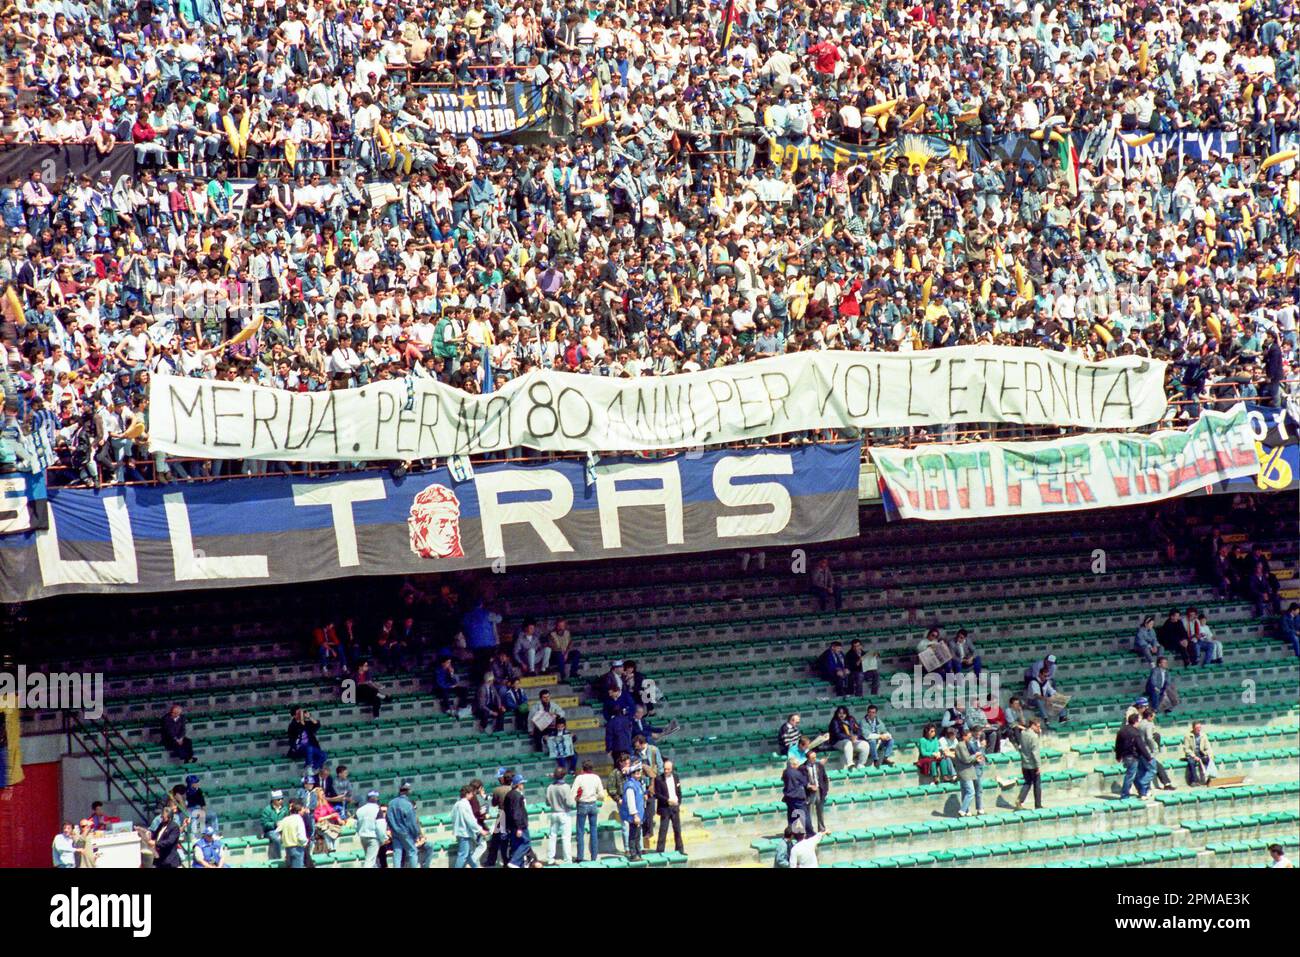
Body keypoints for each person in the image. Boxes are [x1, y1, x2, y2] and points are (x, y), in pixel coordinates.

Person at [571, 760, 607, 863]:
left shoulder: (579, 778)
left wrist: (578, 798)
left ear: (583, 768)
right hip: (593, 804)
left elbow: (572, 793)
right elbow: (602, 795)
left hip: (582, 804)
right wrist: (593, 795)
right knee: (593, 831)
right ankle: (594, 856)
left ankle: (580, 856)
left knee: (580, 831)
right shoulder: (596, 778)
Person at [1116, 712, 1157, 800]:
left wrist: (1118, 756)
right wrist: (1148, 757)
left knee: (1134, 775)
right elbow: (1141, 746)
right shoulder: (1135, 733)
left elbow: (1118, 744)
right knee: (1130, 776)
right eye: (1138, 721)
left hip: (1125, 756)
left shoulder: (1122, 730)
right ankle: (1124, 795)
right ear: (1135, 721)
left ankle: (1142, 792)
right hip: (1133, 756)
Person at [653, 758, 685, 854]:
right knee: (663, 830)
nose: (666, 771)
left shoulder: (676, 777)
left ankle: (680, 849)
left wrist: (678, 802)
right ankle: (660, 851)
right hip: (665, 807)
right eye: (665, 769)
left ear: (672, 769)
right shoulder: (659, 779)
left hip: (675, 806)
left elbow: (679, 791)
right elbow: (657, 794)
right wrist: (667, 800)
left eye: (668, 769)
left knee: (677, 829)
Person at [386, 782, 422, 868]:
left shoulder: (391, 803)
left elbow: (388, 818)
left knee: (397, 853)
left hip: (395, 832)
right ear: (408, 791)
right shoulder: (408, 805)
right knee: (412, 851)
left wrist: (392, 829)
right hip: (405, 833)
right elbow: (412, 823)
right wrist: (417, 833)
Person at [453, 783, 488, 869]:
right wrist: (480, 830)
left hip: (460, 832)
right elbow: (470, 820)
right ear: (467, 794)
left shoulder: (457, 804)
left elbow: (452, 817)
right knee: (463, 855)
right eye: (472, 794)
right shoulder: (465, 804)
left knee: (468, 854)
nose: (473, 795)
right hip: (464, 833)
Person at [545, 768, 576, 864]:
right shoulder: (566, 787)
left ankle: (550, 858)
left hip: (554, 813)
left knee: (552, 836)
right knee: (566, 837)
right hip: (564, 813)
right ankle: (567, 859)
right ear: (564, 775)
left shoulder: (550, 787)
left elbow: (547, 803)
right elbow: (570, 803)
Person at [954, 727, 986, 817]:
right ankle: (963, 810)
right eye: (968, 736)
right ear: (964, 736)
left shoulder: (964, 744)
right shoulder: (961, 745)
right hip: (965, 772)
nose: (970, 738)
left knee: (966, 791)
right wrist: (976, 756)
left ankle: (966, 810)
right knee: (971, 791)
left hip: (967, 771)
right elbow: (966, 759)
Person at [504, 774, 535, 867]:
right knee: (526, 843)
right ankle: (514, 861)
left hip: (511, 825)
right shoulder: (518, 796)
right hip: (519, 825)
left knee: (516, 846)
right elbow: (517, 813)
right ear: (518, 784)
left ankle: (518, 864)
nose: (523, 785)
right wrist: (519, 827)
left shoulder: (509, 794)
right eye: (522, 783)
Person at [1014, 717, 1043, 811]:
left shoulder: (1024, 733)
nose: (1039, 728)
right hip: (1032, 764)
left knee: (1027, 782)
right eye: (1037, 726)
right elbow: (1035, 752)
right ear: (1033, 725)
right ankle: (1038, 805)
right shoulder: (1033, 736)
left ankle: (1020, 800)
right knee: (1037, 785)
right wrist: (1038, 766)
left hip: (1024, 763)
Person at [781, 755, 812, 836]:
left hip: (788, 798)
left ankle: (794, 833)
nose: (798, 766)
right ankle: (810, 833)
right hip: (797, 797)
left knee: (792, 817)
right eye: (797, 764)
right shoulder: (797, 773)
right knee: (804, 815)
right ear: (792, 764)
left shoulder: (785, 772)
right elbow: (805, 781)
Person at [1182, 722, 1218, 786]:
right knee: (1191, 762)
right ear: (1193, 728)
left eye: (1199, 727)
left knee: (1208, 760)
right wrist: (1194, 756)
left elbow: (1208, 747)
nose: (1199, 729)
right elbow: (1186, 749)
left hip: (1201, 753)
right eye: (1197, 728)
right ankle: (1194, 781)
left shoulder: (1203, 735)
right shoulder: (1187, 736)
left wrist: (1209, 755)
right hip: (1192, 754)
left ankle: (1209, 779)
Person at [804, 749, 830, 833]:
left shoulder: (819, 765)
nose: (815, 759)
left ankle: (821, 828)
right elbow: (801, 781)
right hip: (809, 792)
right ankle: (809, 830)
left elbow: (825, 778)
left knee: (820, 811)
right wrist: (809, 786)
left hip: (820, 790)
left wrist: (825, 791)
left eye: (815, 757)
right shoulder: (802, 768)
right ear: (808, 758)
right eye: (813, 758)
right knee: (809, 813)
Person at [355, 790, 383, 868]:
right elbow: (380, 827)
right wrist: (382, 839)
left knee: (372, 859)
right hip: (373, 837)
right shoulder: (377, 810)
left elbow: (355, 825)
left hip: (363, 837)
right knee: (370, 860)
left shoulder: (360, 810)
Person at [278, 800, 309, 869]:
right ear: (299, 810)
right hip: (297, 848)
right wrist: (306, 842)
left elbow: (278, 831)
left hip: (287, 849)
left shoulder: (285, 819)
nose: (304, 811)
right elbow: (301, 836)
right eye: (303, 809)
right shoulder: (299, 819)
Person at [260, 790, 288, 862]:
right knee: (277, 839)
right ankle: (277, 858)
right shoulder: (267, 810)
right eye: (279, 799)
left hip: (282, 829)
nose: (281, 801)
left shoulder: (284, 809)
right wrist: (275, 824)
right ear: (274, 800)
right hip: (271, 830)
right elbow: (264, 824)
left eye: (282, 799)